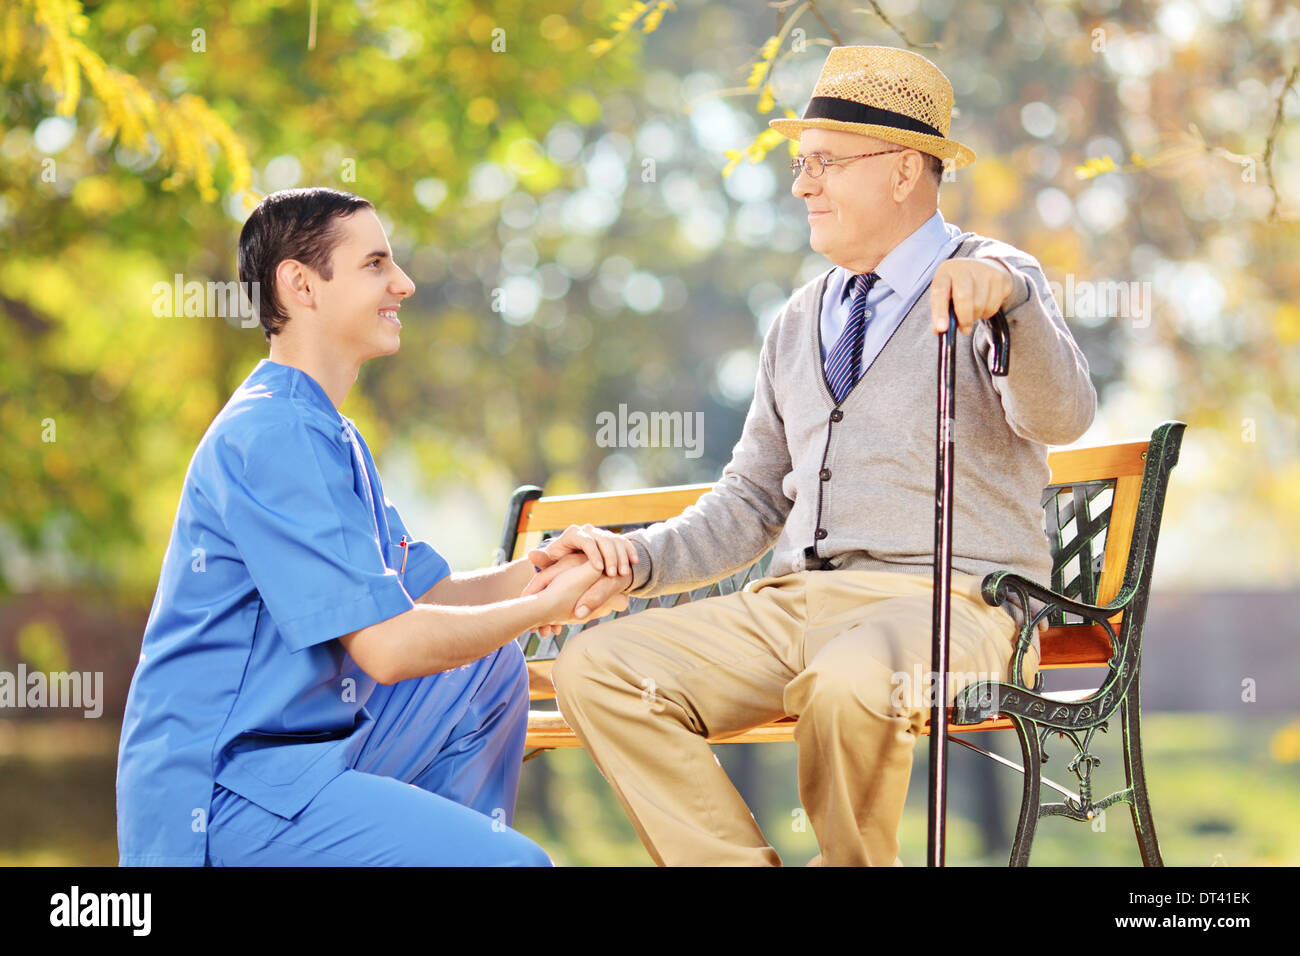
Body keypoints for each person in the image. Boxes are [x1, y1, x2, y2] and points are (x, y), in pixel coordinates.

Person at [527, 46, 1098, 866]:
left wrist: (1013, 307)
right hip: (794, 606)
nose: (801, 185)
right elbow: (753, 499)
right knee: (599, 668)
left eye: (824, 163)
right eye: (801, 165)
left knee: (850, 681)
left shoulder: (995, 279)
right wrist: (637, 560)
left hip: (955, 604)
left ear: (905, 171)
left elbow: (1064, 414)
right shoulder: (800, 319)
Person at [115, 187, 634, 866]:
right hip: (225, 796)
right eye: (375, 264)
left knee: (486, 671)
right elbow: (389, 649)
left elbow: (425, 596)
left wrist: (540, 568)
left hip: (307, 760)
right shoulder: (272, 434)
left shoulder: (326, 431)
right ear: (301, 285)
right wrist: (541, 608)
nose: (404, 283)